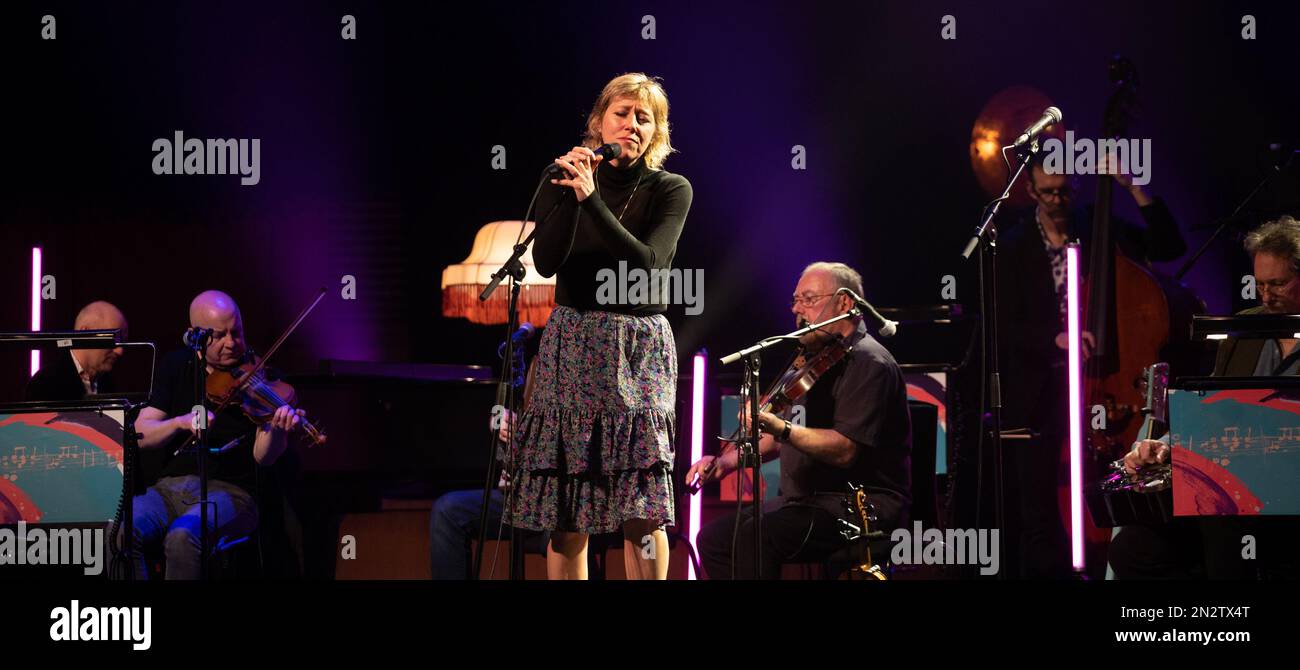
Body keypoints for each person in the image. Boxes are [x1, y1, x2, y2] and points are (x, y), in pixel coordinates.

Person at [505, 72, 692, 580]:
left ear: (657, 133)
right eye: (622, 113)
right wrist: (570, 192)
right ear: (598, 122)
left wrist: (593, 200)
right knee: (568, 508)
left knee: (640, 507)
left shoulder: (670, 189)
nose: (632, 124)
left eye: (643, 118)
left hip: (636, 350)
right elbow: (546, 262)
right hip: (573, 342)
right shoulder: (561, 178)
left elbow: (648, 264)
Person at [995, 154, 1187, 578]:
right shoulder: (1011, 246)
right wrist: (1056, 337)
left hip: (1111, 385)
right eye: (1048, 192)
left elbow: (1171, 248)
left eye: (1065, 189)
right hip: (1043, 393)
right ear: (1030, 191)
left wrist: (1134, 188)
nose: (1058, 199)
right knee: (1040, 514)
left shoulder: (1099, 228)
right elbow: (1000, 326)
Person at [687, 262, 912, 579]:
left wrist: (779, 426)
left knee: (758, 537)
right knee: (714, 539)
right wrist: (726, 463)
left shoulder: (869, 362)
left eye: (808, 299)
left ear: (844, 303)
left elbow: (844, 449)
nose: (796, 309)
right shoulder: (814, 362)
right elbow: (783, 438)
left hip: (860, 505)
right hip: (807, 501)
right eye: (795, 300)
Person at [1112, 216, 1300, 579]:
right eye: (1259, 284)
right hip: (1231, 479)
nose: (1265, 296)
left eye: (1278, 284)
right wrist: (1167, 445)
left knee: (1223, 521)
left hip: (1283, 488)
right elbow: (1209, 410)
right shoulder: (1243, 327)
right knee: (1133, 548)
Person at [112, 290, 305, 579]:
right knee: (120, 530)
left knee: (182, 538)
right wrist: (181, 422)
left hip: (233, 494)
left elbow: (263, 459)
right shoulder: (177, 366)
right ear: (194, 336)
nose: (232, 343)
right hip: (170, 489)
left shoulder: (263, 379)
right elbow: (140, 432)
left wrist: (276, 428)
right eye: (219, 335)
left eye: (236, 332)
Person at [25, 301, 128, 400]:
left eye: (122, 341)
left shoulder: (108, 384)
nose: (119, 351)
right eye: (114, 339)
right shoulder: (46, 383)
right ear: (85, 333)